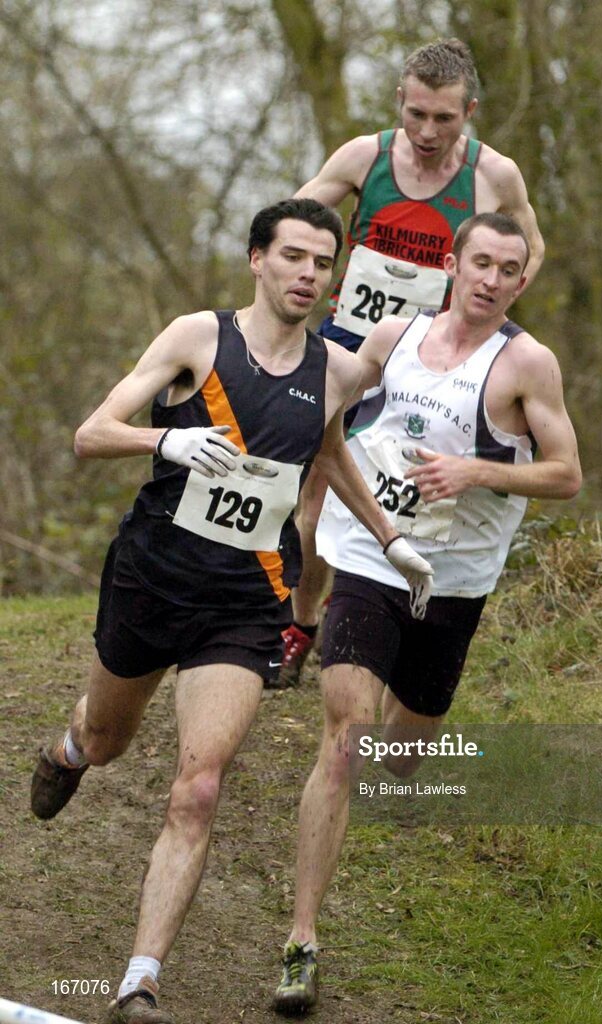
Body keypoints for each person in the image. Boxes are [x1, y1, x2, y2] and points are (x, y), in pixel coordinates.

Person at [29, 199, 433, 1024]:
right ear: (257, 259)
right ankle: (73, 744)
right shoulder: (196, 338)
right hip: (152, 580)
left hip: (246, 601)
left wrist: (389, 540)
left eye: (323, 264)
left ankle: (138, 982)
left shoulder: (336, 371)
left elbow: (330, 453)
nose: (307, 276)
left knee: (200, 786)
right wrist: (163, 442)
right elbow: (89, 432)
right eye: (292, 258)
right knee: (110, 740)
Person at [272, 212, 581, 1014]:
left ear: (519, 281)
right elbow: (328, 407)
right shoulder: (395, 336)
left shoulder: (527, 364)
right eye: (479, 261)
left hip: (455, 583)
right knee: (345, 736)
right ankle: (302, 939)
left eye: (507, 269)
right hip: (374, 554)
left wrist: (476, 471)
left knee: (401, 758)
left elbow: (566, 475)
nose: (490, 278)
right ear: (453, 261)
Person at [278, 37, 546, 687]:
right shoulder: (362, 158)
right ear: (400, 100)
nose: (427, 131)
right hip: (349, 342)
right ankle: (301, 623)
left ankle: (398, 622)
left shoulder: (493, 176)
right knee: (314, 500)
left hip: (431, 358)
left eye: (444, 118)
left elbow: (532, 247)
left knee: (414, 491)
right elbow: (293, 221)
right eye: (416, 113)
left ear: (470, 111)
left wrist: (483, 314)